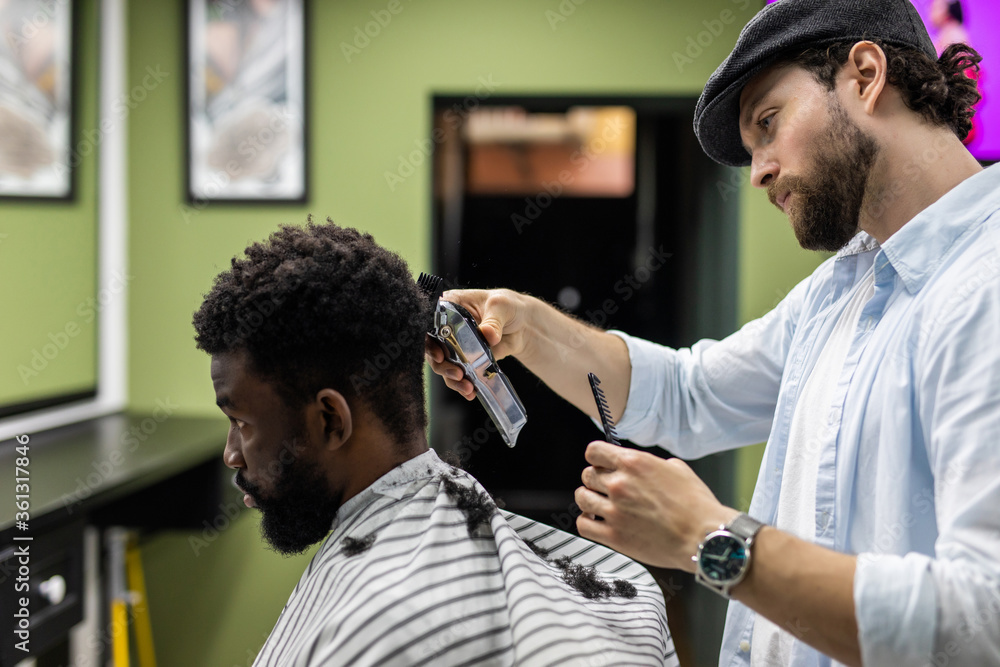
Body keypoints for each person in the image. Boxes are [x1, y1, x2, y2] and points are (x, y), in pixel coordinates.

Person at [426, 0, 1000, 665]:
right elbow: (688, 393)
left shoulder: (983, 286)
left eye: (769, 122)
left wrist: (711, 536)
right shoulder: (843, 287)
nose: (757, 172)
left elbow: (980, 620)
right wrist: (525, 325)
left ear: (866, 74)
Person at [191, 219, 677, 666]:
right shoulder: (627, 587)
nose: (232, 453)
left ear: (330, 420)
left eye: (240, 421)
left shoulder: (375, 633)